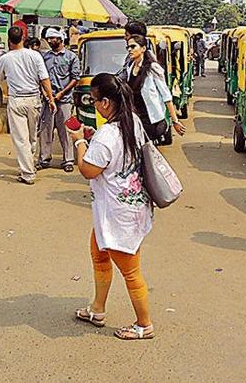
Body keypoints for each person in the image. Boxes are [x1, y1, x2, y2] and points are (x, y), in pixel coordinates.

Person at [67, 73, 154, 340]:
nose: (93, 105)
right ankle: (98, 309)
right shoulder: (131, 121)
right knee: (99, 254)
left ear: (105, 102)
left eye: (94, 100)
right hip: (124, 209)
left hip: (118, 214)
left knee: (130, 271)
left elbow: (88, 170)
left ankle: (144, 325)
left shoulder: (108, 134)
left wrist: (79, 141)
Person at [0, 26, 56, 185]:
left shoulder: (5, 59)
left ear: (9, 41)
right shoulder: (35, 55)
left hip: (16, 100)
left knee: (21, 139)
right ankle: (30, 166)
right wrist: (51, 99)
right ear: (23, 38)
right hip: (34, 100)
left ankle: (28, 173)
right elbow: (44, 79)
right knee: (31, 136)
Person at [124, 34, 186, 141]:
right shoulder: (130, 67)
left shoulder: (153, 68)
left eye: (133, 46)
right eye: (128, 47)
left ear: (143, 48)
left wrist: (175, 121)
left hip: (152, 120)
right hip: (135, 118)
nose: (130, 50)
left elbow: (166, 96)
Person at [37, 27, 81, 172]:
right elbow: (41, 78)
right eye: (48, 39)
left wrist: (62, 93)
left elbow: (75, 78)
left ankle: (68, 160)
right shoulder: (45, 57)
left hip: (64, 100)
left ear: (60, 39)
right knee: (45, 130)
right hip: (48, 100)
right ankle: (44, 159)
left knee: (66, 131)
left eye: (52, 38)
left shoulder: (71, 57)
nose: (50, 41)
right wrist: (46, 95)